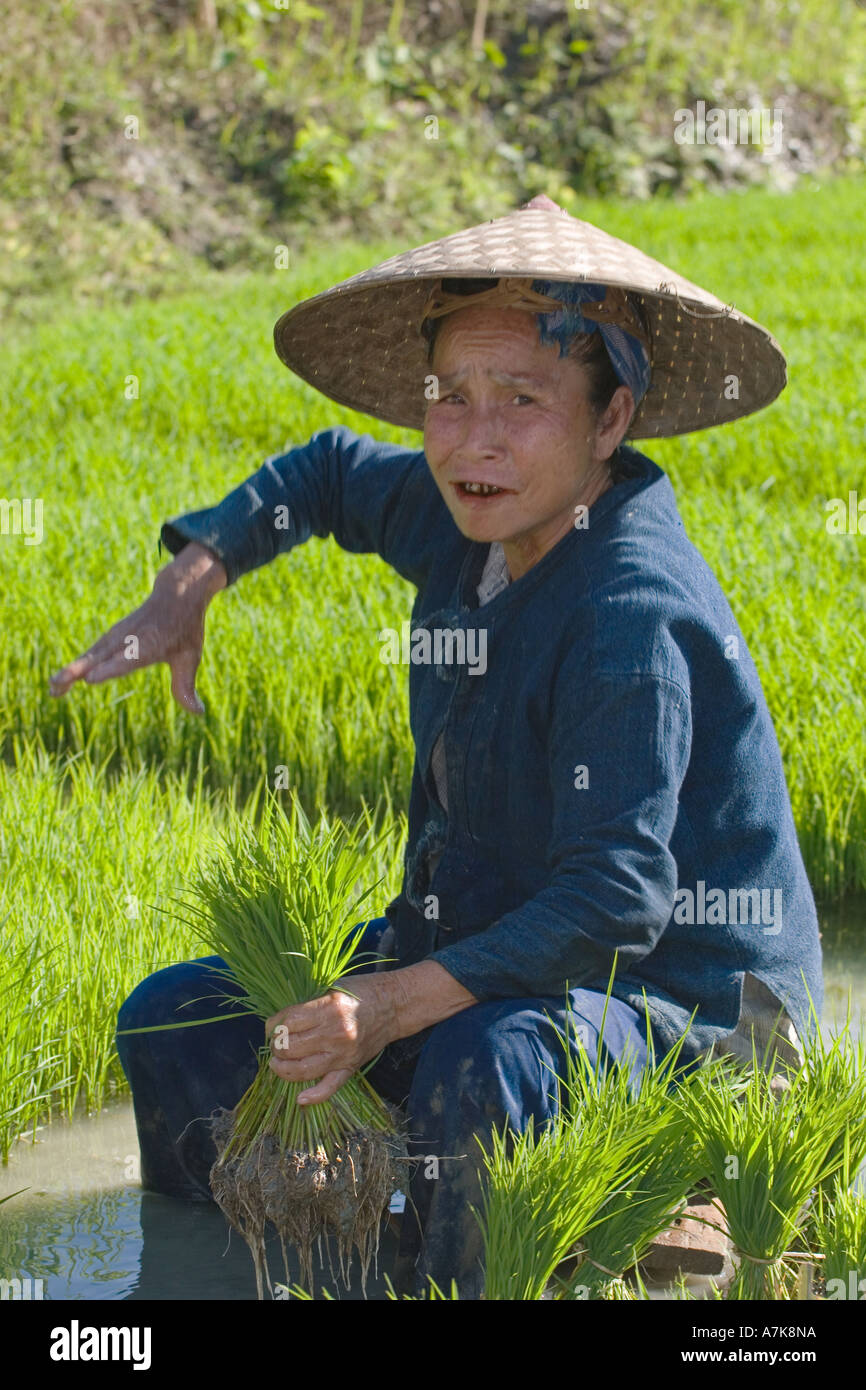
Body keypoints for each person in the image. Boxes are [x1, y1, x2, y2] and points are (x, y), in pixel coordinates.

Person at [50, 194, 822, 1298]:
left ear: (610, 422)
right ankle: (240, 1270)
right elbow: (317, 474)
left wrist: (386, 1006)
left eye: (521, 399)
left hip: (677, 1000)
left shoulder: (625, 611)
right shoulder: (472, 507)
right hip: (494, 949)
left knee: (476, 1070)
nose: (474, 438)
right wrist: (189, 585)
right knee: (177, 1026)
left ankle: (532, 1245)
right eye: (448, 398)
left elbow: (615, 896)